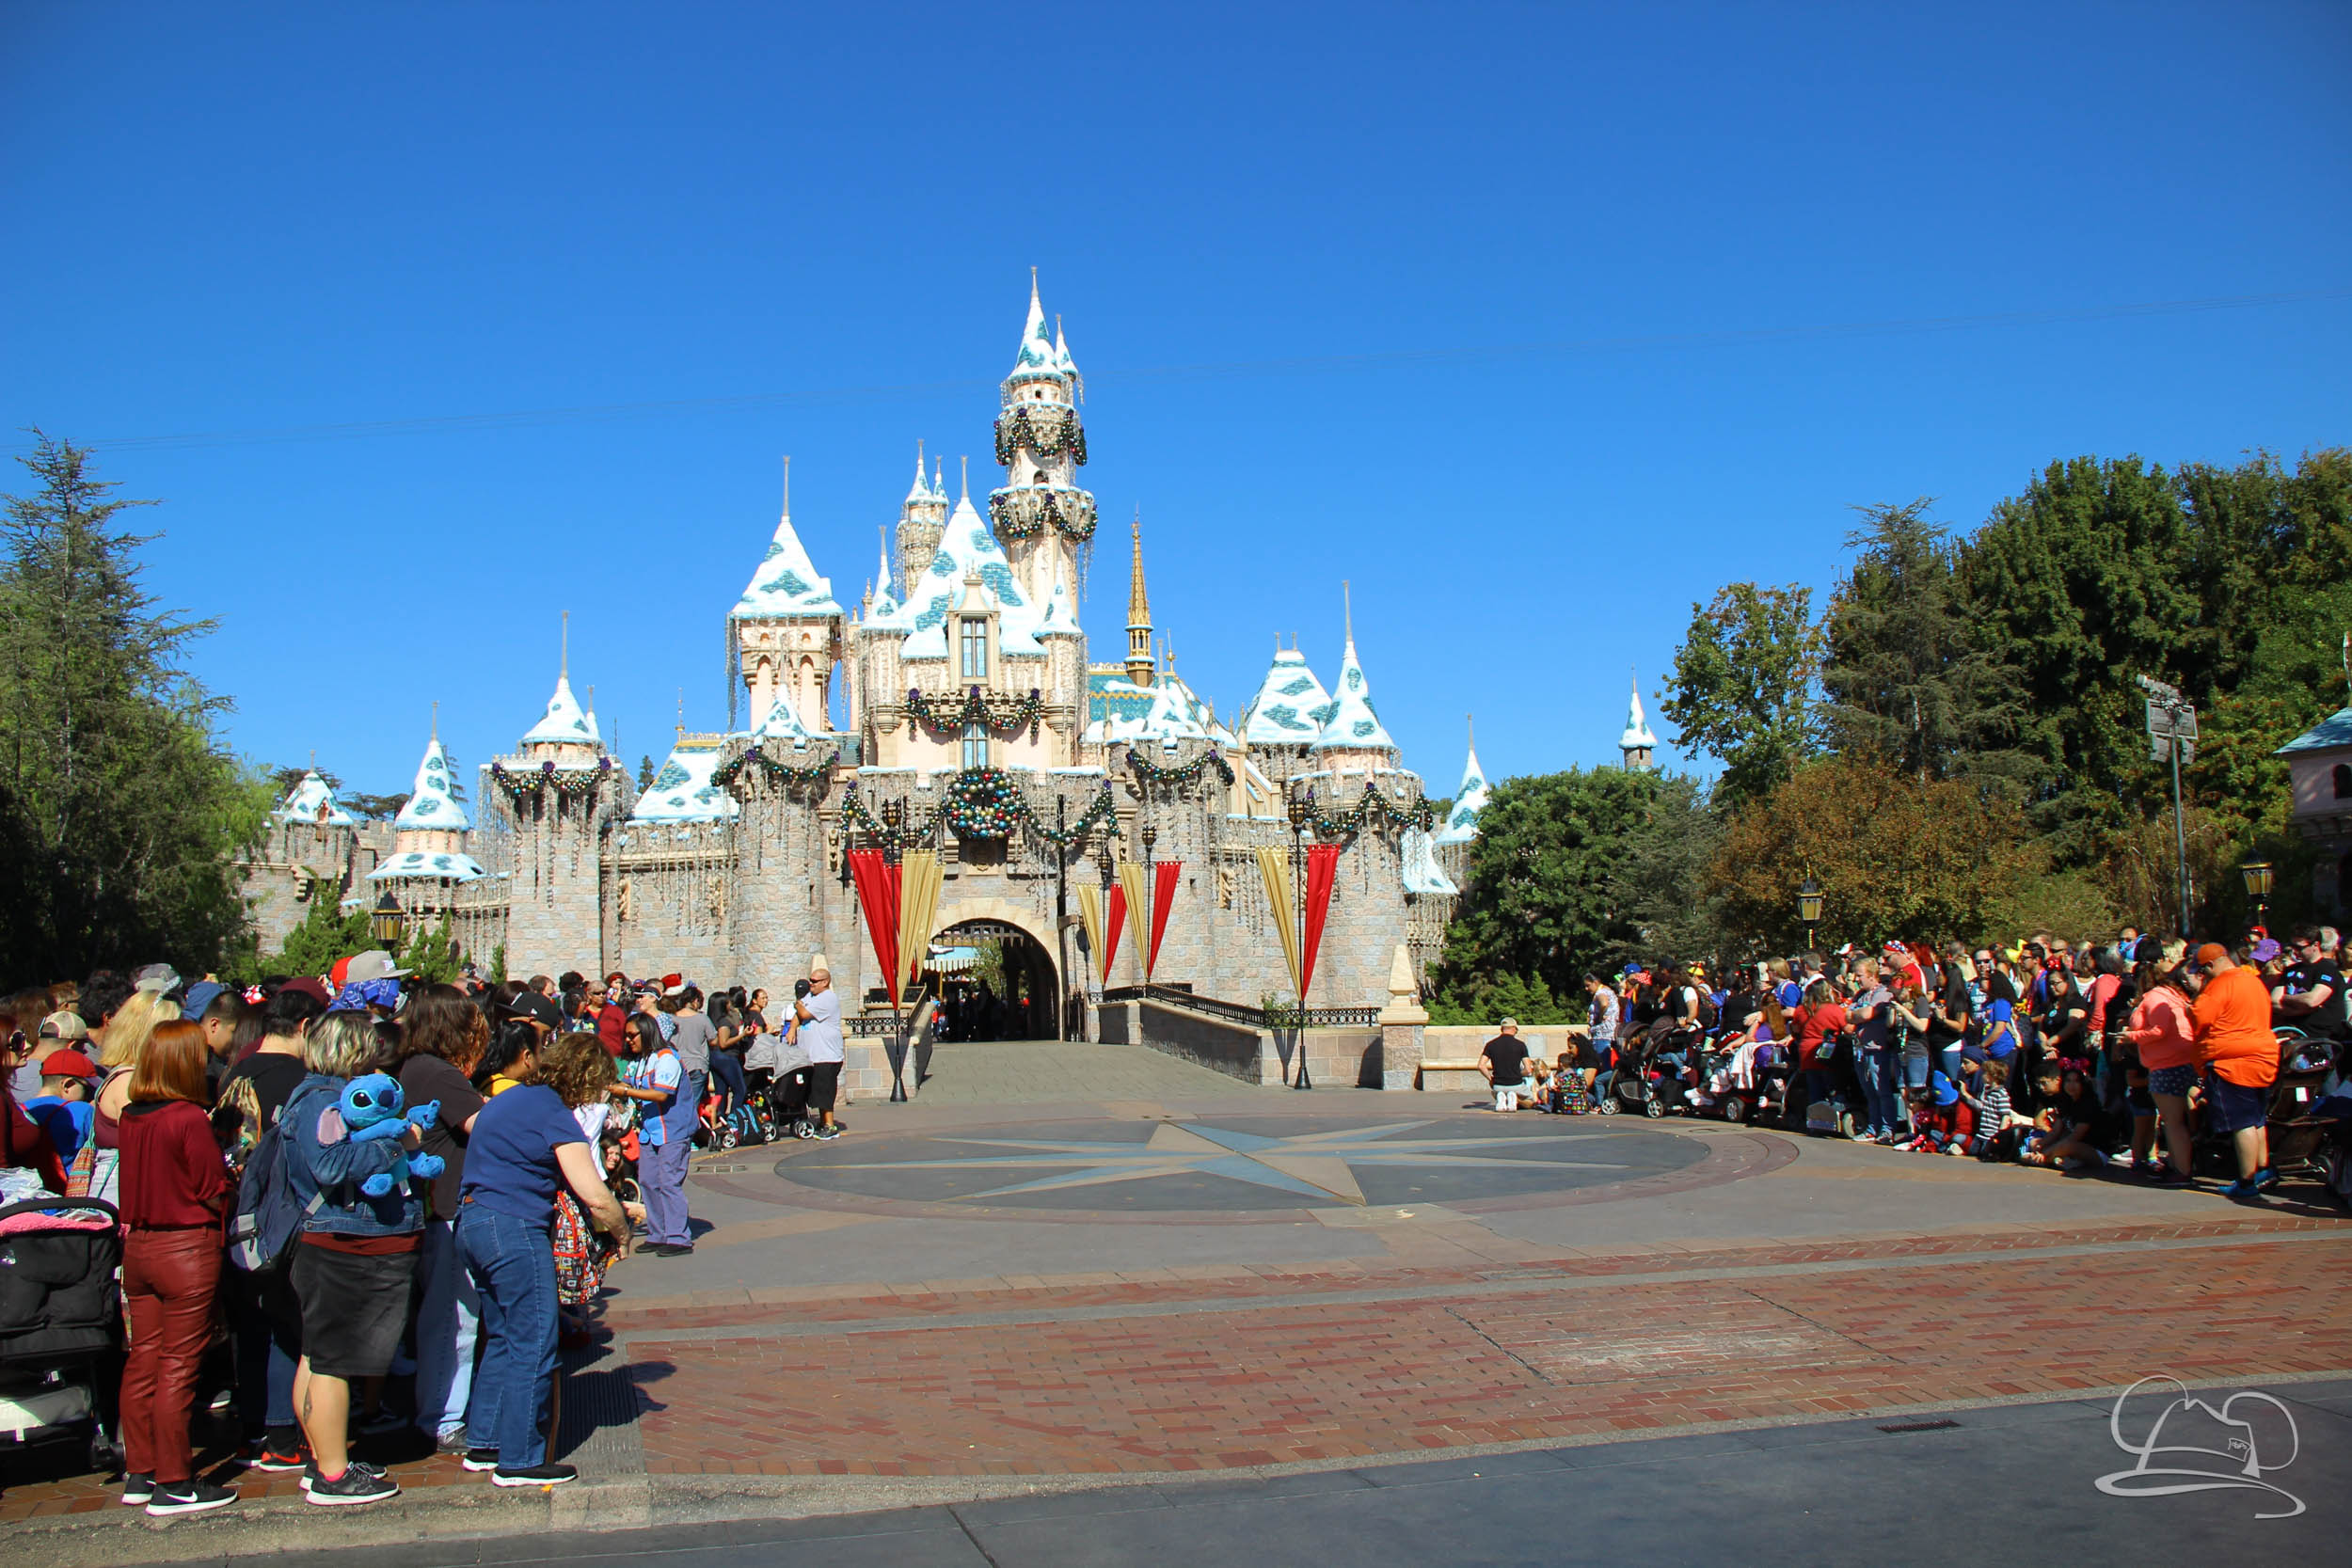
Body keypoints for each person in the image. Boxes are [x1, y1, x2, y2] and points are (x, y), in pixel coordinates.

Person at [453, 1040, 629, 1487]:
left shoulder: (509, 1098)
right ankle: (520, 1458)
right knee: (534, 1338)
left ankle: (486, 1442)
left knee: (502, 1336)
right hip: (513, 1225)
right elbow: (593, 1192)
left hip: (474, 1220)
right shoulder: (552, 1111)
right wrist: (621, 1230)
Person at [280, 1011, 427, 1506]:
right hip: (343, 1238)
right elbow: (328, 1163)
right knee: (334, 1361)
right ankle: (334, 1475)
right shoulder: (323, 1100)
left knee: (318, 1353)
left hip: (344, 1236)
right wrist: (393, 1141)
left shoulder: (323, 1096)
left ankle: (322, 1457)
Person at [116, 1021, 235, 1515]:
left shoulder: (131, 1115)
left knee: (143, 1358)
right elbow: (211, 1187)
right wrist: (233, 1174)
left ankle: (140, 1472)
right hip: (186, 1246)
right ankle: (175, 1480)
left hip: (140, 1246)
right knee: (178, 1366)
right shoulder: (186, 1117)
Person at [395, 988, 490, 1454]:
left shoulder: (413, 1067)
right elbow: (485, 1126)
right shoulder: (440, 1073)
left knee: (438, 1315)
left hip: (429, 1207)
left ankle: (436, 1408)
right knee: (453, 1319)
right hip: (446, 1208)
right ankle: (443, 1416)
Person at [2190, 942, 2278, 1200]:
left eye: (2203, 972)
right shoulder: (2253, 981)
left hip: (2232, 1062)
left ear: (2209, 965)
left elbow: (2199, 1018)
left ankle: (2247, 1182)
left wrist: (2195, 997)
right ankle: (2263, 1171)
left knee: (2242, 1123)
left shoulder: (2220, 985)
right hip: (2262, 1056)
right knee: (2257, 1118)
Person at [618, 1012, 693, 1255]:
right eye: (626, 1036)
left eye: (633, 1035)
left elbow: (661, 1094)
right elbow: (626, 1082)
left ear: (647, 1032)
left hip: (673, 1130)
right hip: (650, 1132)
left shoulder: (667, 1058)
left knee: (669, 1182)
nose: (629, 1040)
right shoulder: (640, 1060)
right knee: (649, 1181)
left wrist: (626, 1092)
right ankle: (658, 1232)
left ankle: (678, 1237)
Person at [795, 958, 845, 1140]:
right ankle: (823, 1122)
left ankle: (830, 1126)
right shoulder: (811, 996)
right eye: (810, 980)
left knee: (825, 1091)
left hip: (827, 1055)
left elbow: (803, 1013)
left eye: (814, 981)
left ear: (825, 982)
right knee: (815, 1091)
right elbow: (797, 1013)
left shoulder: (828, 998)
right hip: (813, 1056)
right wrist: (793, 1027)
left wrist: (799, 1006)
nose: (810, 984)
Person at [2276, 927, 2345, 1039]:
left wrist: (2284, 998)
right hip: (2290, 1034)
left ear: (2316, 945)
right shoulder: (2290, 970)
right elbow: (2274, 1001)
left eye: (2299, 947)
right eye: (2292, 946)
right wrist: (2300, 1009)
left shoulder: (2327, 969)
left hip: (2320, 1038)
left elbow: (2311, 1001)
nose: (2294, 951)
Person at [1479, 1019, 1531, 1112]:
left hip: (1498, 1084)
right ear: (1514, 1028)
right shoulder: (1520, 1045)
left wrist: (1491, 1079)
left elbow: (1481, 1066)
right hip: (1516, 1083)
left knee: (1498, 1092)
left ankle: (1503, 1098)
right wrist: (1519, 1074)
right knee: (1531, 1102)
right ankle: (1515, 1099)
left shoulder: (1490, 1045)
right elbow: (1528, 1069)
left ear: (1502, 1029)